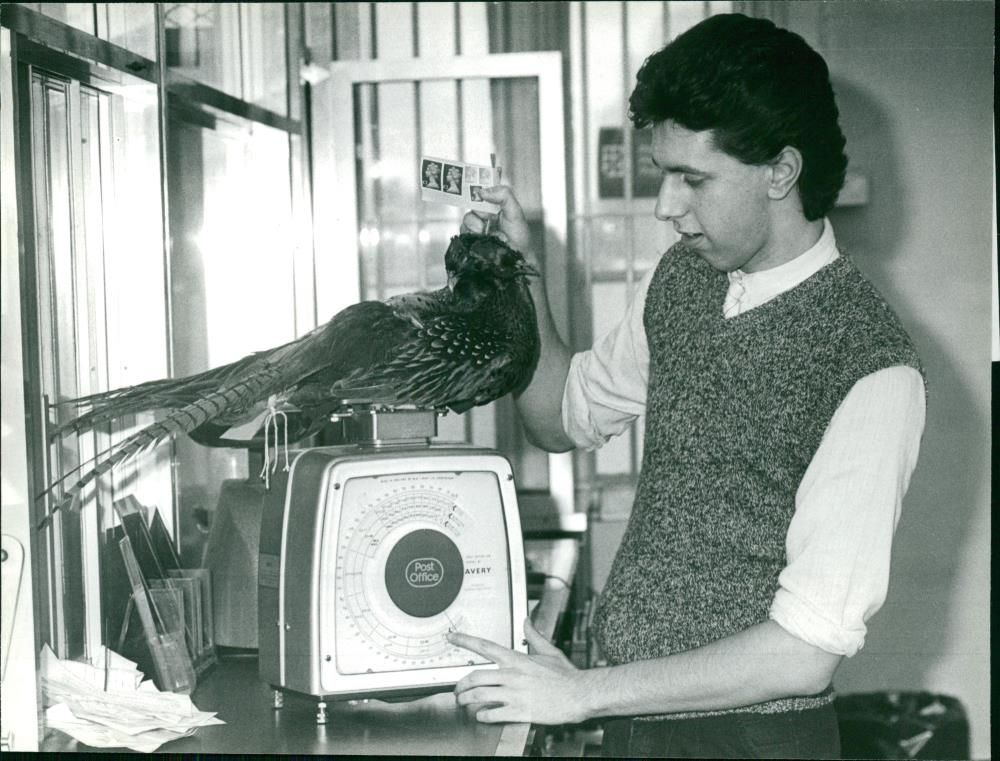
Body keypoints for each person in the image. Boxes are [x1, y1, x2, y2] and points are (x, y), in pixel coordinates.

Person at [449, 12, 926, 760]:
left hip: (754, 739)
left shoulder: (870, 364)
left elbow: (805, 648)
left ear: (781, 171)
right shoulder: (684, 280)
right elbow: (560, 414)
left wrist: (581, 692)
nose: (667, 205)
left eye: (692, 179)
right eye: (663, 174)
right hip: (636, 721)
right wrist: (520, 271)